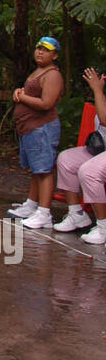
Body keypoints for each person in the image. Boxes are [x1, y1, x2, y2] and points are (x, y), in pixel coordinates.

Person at [7, 36, 65, 228]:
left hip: (42, 127)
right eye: (39, 48)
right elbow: (32, 93)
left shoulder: (53, 75)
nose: (40, 52)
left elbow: (46, 103)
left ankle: (44, 212)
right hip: (30, 127)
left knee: (44, 170)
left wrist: (22, 97)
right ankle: (32, 205)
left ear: (55, 56)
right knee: (36, 169)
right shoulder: (39, 71)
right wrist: (19, 92)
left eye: (46, 50)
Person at [49, 64, 106, 244]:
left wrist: (97, 90)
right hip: (101, 150)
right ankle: (77, 215)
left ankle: (103, 227)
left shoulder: (99, 93)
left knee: (89, 171)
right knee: (66, 159)